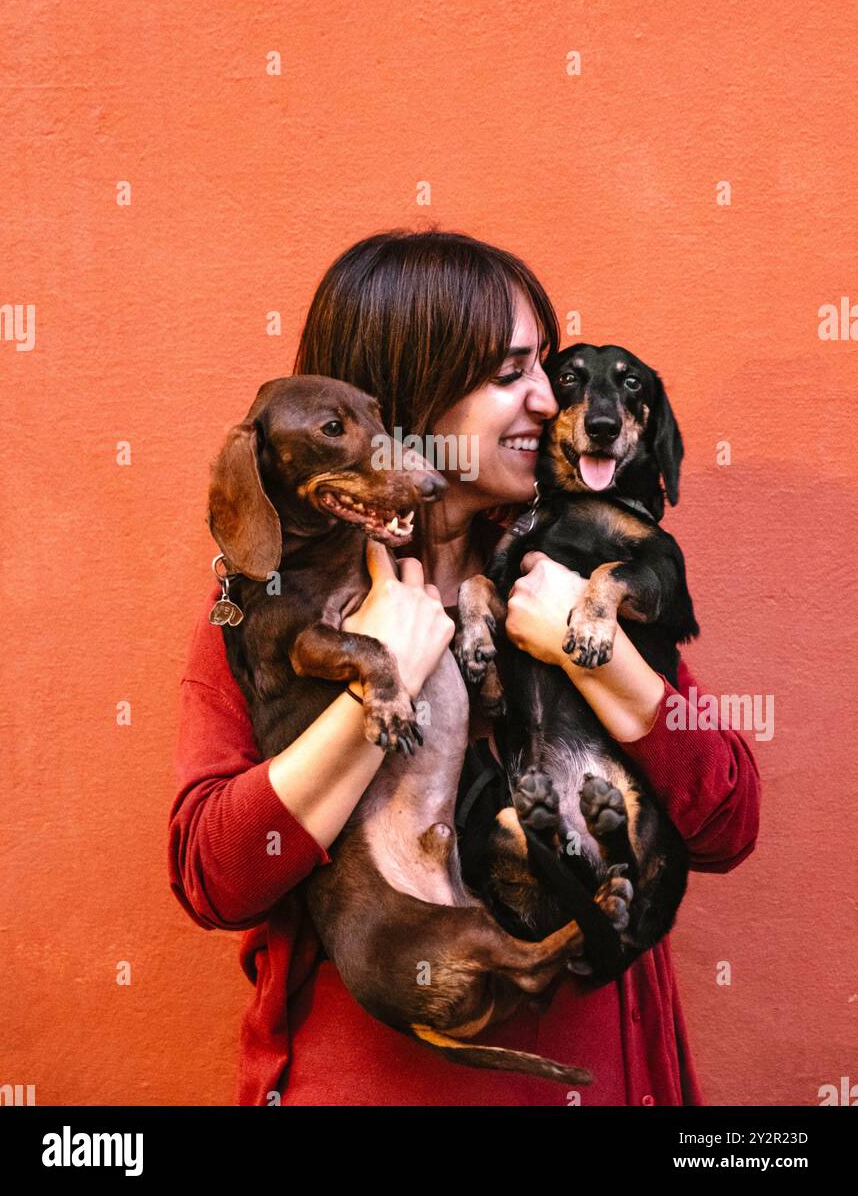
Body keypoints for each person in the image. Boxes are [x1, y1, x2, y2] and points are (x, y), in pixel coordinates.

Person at [168, 229, 761, 1106]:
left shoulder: (573, 575)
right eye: (507, 374)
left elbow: (727, 820)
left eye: (544, 368)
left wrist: (595, 660)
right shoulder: (272, 611)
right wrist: (382, 676)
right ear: (408, 401)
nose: (543, 400)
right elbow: (214, 877)